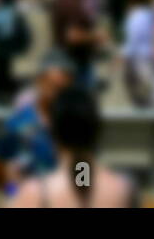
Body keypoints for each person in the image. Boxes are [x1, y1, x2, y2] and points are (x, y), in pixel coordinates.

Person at [8, 86, 136, 207]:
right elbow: (82, 178)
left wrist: (12, 188)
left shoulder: (35, 192)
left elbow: (81, 177)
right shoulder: (123, 189)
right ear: (96, 129)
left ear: (53, 132)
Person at [0, 55, 74, 194]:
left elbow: (83, 166)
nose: (57, 94)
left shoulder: (75, 126)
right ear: (40, 82)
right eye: (52, 85)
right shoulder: (17, 123)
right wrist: (13, 194)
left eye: (62, 89)